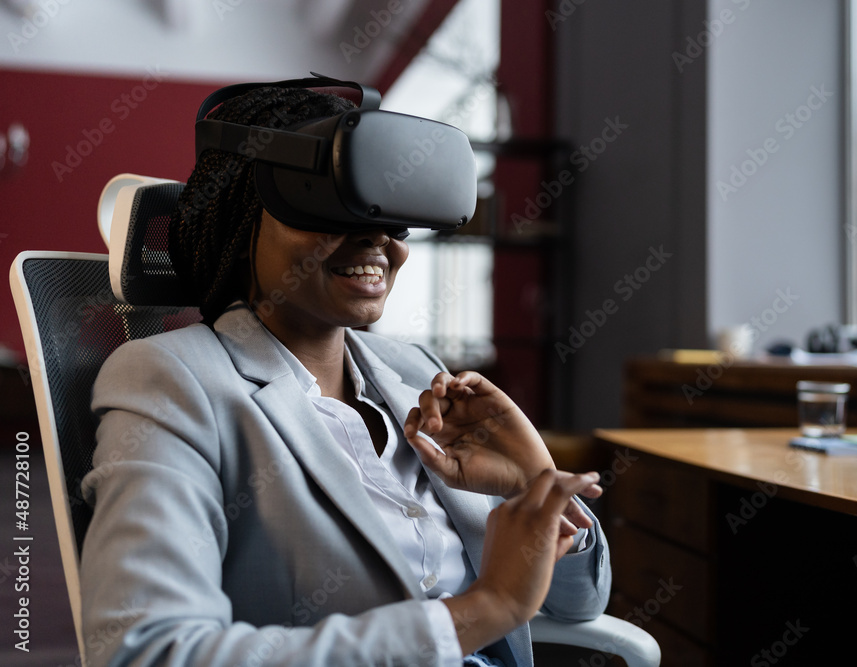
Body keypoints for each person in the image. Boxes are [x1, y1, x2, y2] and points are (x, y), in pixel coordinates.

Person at [79, 83, 610, 667]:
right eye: (326, 204)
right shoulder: (171, 381)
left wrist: (532, 484)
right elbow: (147, 652)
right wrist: (481, 610)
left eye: (390, 215)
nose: (377, 238)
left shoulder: (419, 373)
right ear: (241, 220)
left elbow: (577, 605)